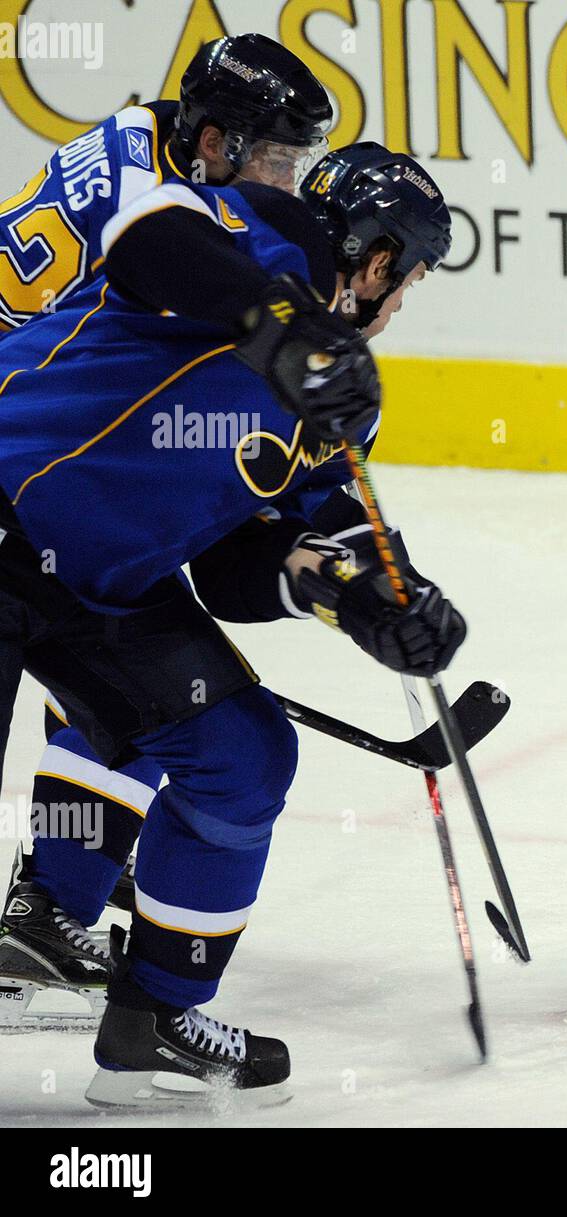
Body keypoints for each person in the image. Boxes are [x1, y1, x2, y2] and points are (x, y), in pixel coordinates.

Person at [0, 142, 461, 1103]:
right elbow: (146, 239)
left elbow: (242, 563)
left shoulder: (338, 403)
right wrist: (286, 327)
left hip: (86, 586)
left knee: (241, 754)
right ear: (375, 261)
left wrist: (361, 596)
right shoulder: (272, 233)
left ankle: (152, 1020)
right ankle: (48, 906)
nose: (404, 301)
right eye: (408, 278)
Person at [0, 31, 331, 1021]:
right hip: (24, 450)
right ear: (219, 138)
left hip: (40, 442)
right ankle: (52, 899)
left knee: (119, 642)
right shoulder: (164, 198)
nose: (284, 181)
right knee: (120, 635)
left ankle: (50, 904)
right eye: (275, 157)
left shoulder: (151, 140)